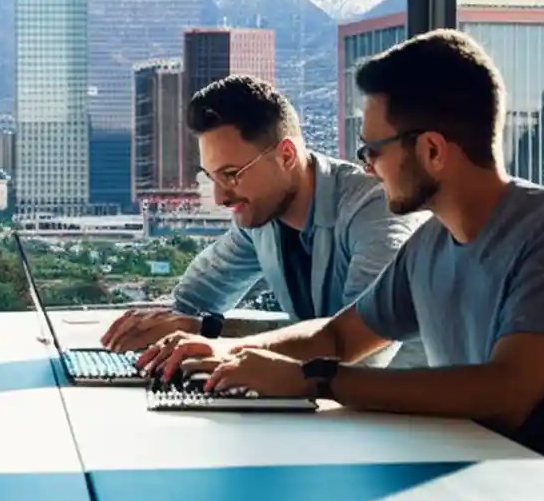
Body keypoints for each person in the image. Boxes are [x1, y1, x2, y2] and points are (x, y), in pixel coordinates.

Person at [148, 30, 544, 464]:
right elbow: (340, 337)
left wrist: (315, 378)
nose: (366, 168)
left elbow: (507, 392)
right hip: (476, 478)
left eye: (373, 151)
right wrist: (227, 351)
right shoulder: (430, 245)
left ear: (432, 151)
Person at [102, 75, 425, 367]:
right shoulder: (261, 217)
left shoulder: (376, 210)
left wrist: (215, 337)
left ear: (286, 156)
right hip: (330, 405)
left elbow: (359, 349)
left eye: (232, 174)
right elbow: (190, 305)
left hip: (407, 408)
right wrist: (178, 327)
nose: (220, 198)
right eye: (211, 178)